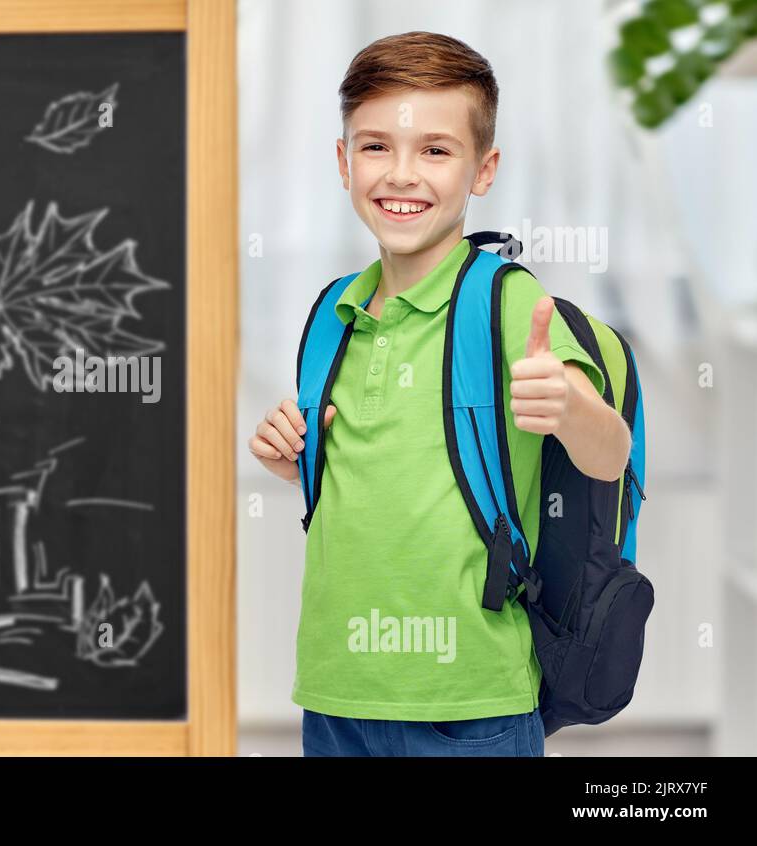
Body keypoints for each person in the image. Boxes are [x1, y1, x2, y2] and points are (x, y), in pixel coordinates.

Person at [248, 31, 632, 756]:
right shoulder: (333, 314)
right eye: (375, 147)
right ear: (342, 161)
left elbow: (610, 455)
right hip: (336, 693)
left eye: (435, 150)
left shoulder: (509, 305)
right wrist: (292, 456)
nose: (401, 175)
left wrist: (573, 409)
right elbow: (367, 478)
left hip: (471, 704)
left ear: (483, 170)